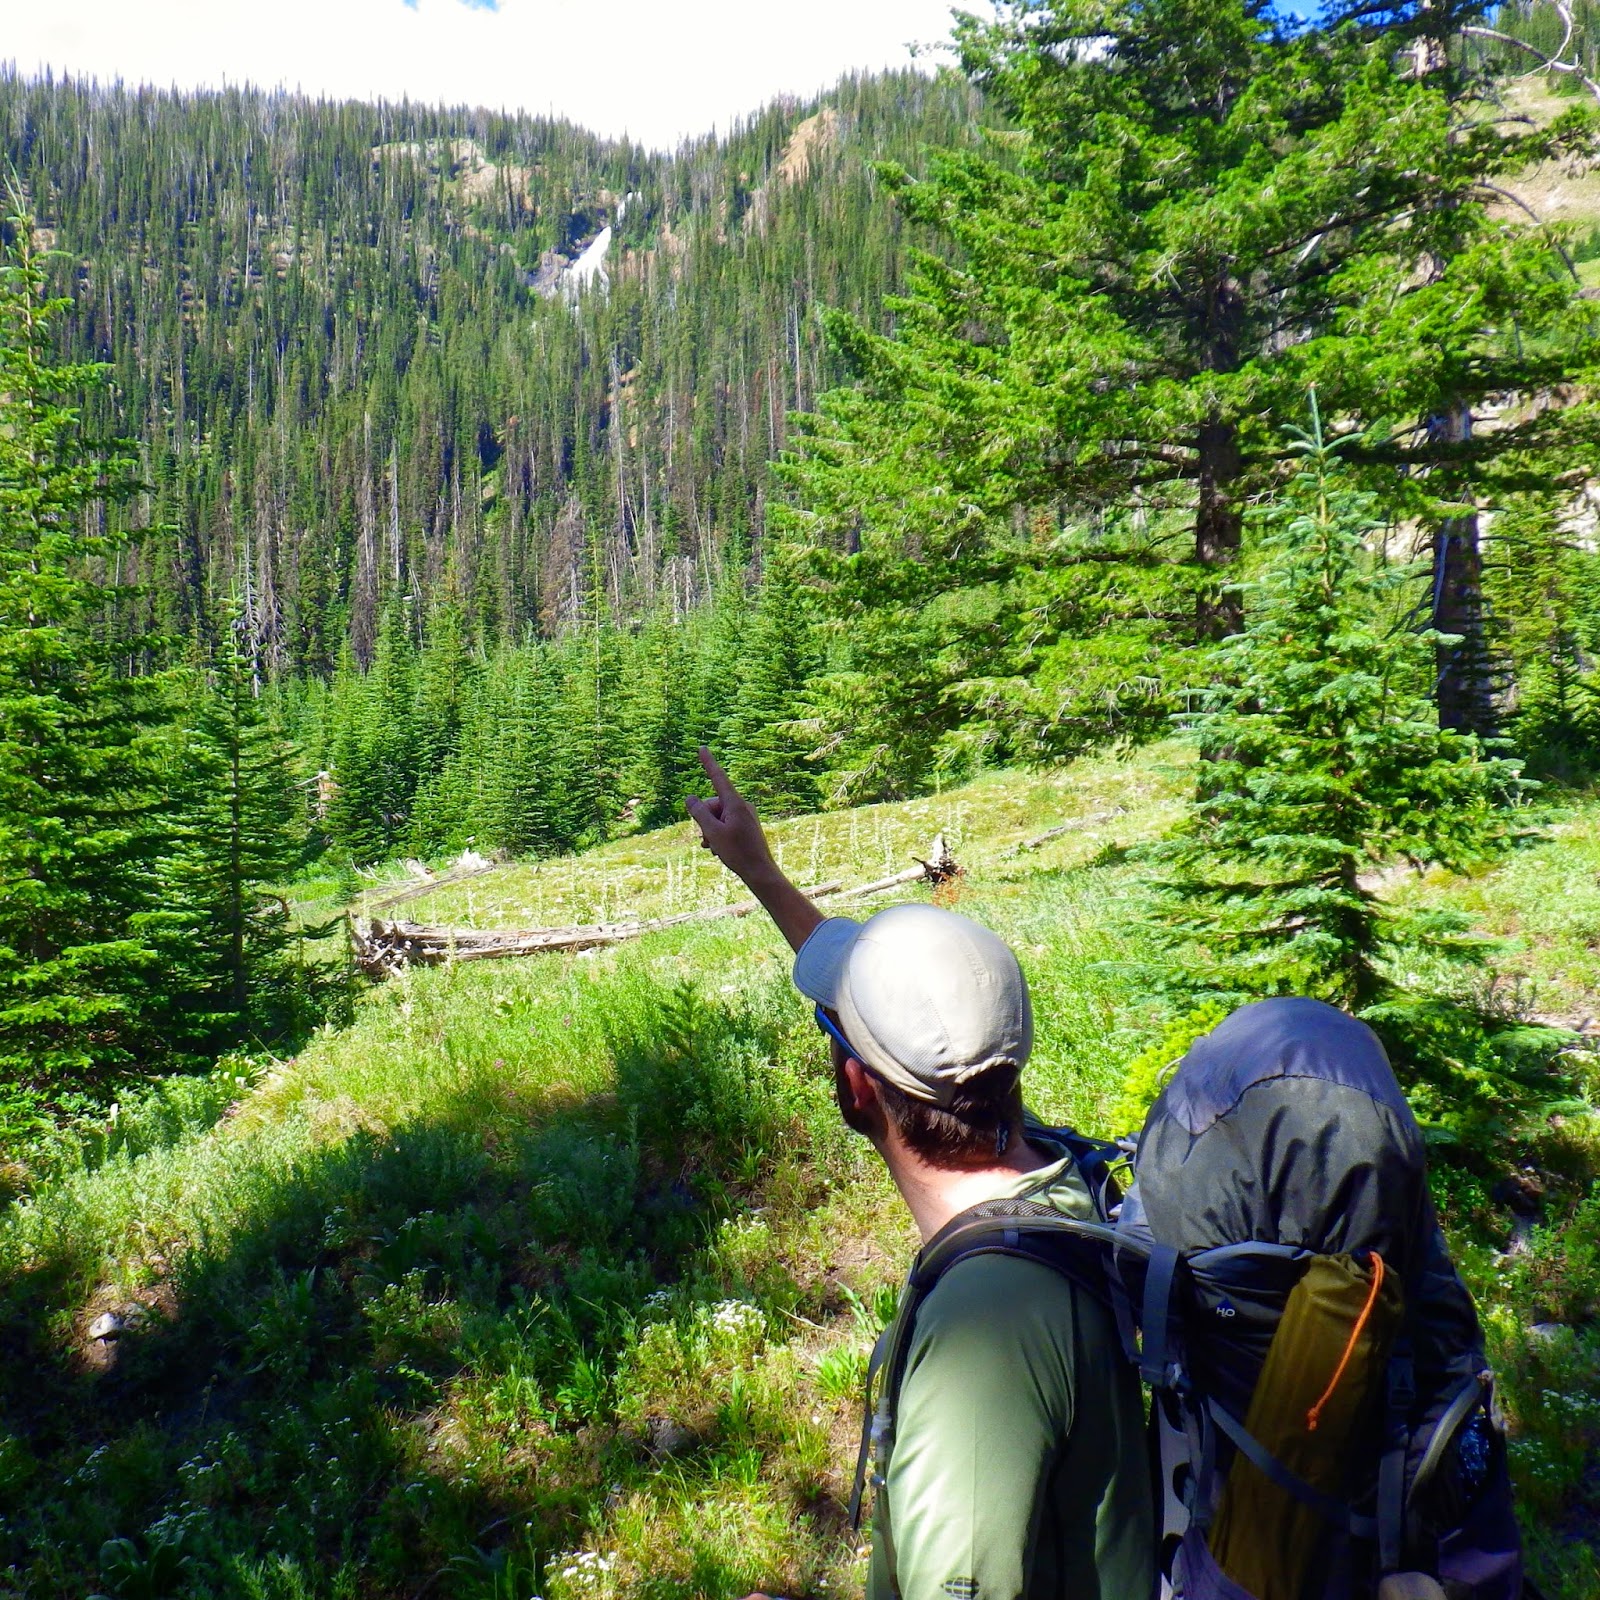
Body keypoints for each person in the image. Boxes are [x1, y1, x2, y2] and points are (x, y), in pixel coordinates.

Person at [685, 749, 1154, 1600]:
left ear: (855, 1085)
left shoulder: (983, 1339)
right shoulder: (1056, 1179)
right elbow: (906, 1015)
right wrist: (760, 873)